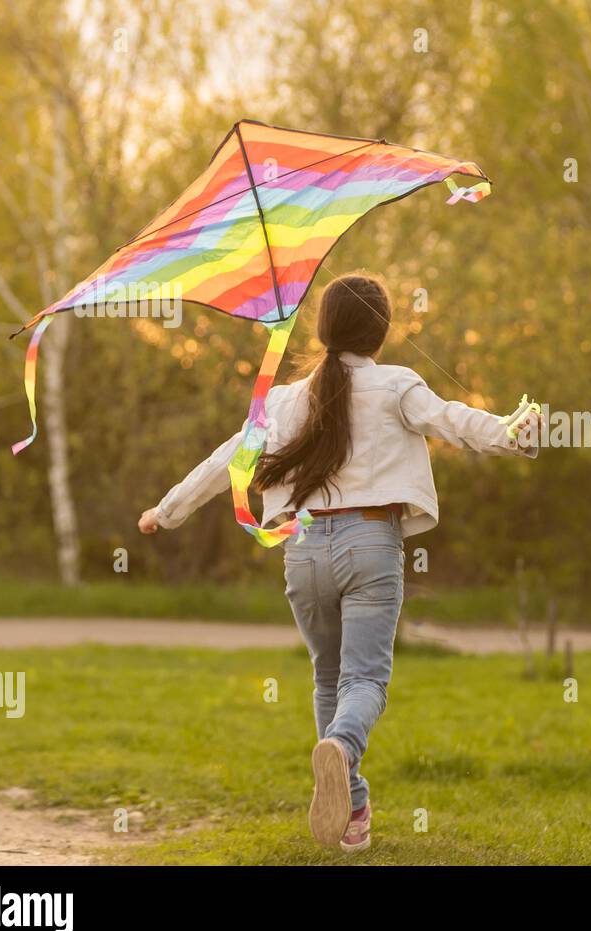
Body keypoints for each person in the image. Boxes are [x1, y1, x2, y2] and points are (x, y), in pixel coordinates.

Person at [137, 272, 540, 851]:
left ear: (324, 329)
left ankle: (351, 813)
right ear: (381, 330)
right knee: (365, 679)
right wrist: (512, 431)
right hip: (370, 546)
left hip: (301, 550)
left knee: (329, 676)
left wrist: (166, 510)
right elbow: (456, 420)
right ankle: (343, 748)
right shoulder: (397, 383)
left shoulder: (281, 399)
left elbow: (228, 458)